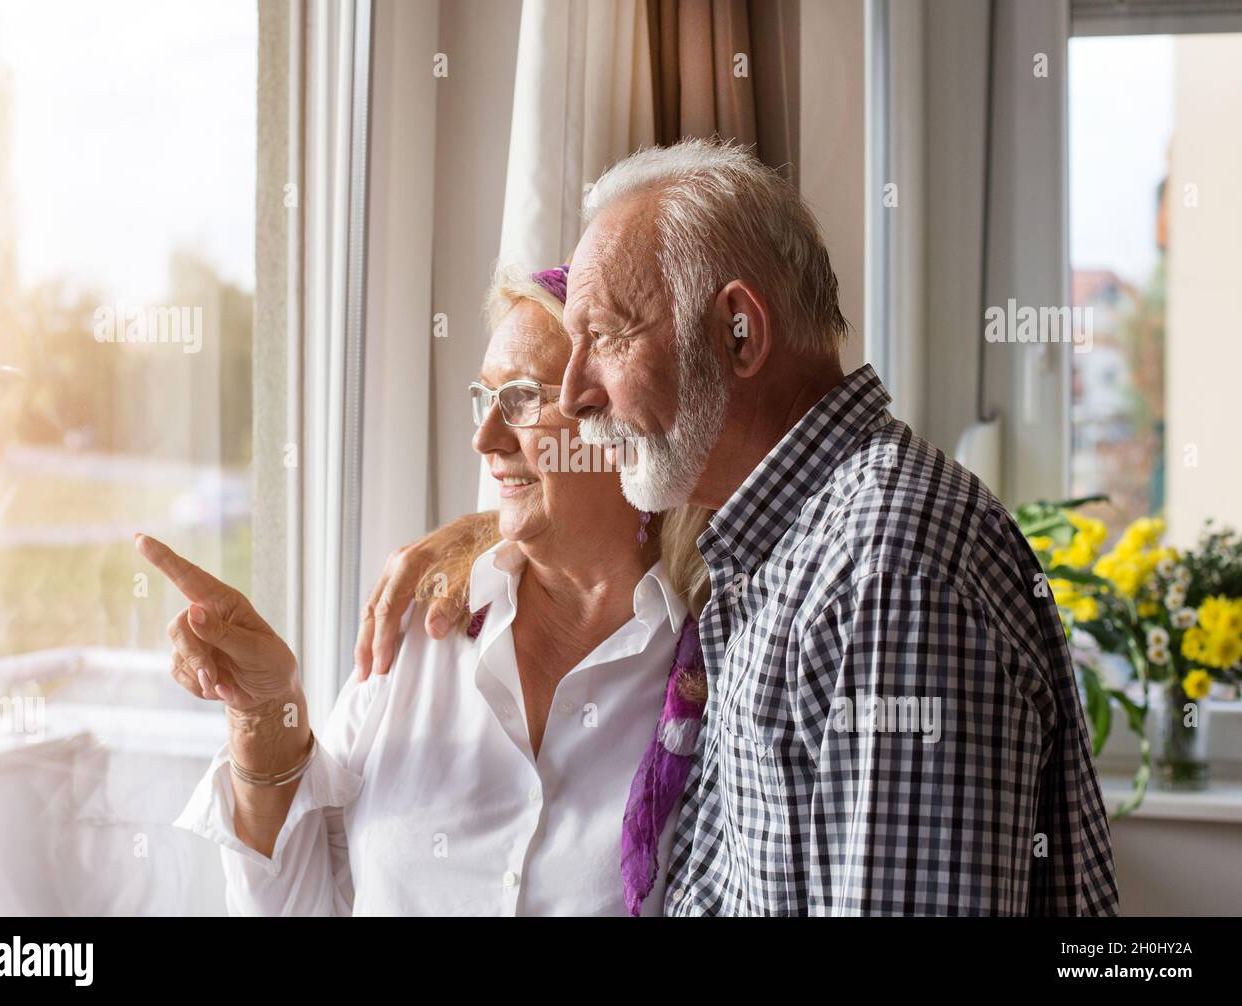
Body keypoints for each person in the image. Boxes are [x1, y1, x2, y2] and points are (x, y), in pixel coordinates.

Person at [362, 138, 1120, 916]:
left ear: (738, 332)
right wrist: (491, 534)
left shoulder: (885, 570)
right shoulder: (777, 548)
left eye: (608, 336)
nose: (577, 394)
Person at [143, 264, 712, 915]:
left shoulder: (713, 666)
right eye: (484, 397)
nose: (485, 438)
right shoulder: (423, 621)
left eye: (523, 398)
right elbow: (297, 906)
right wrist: (262, 714)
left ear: (627, 427)